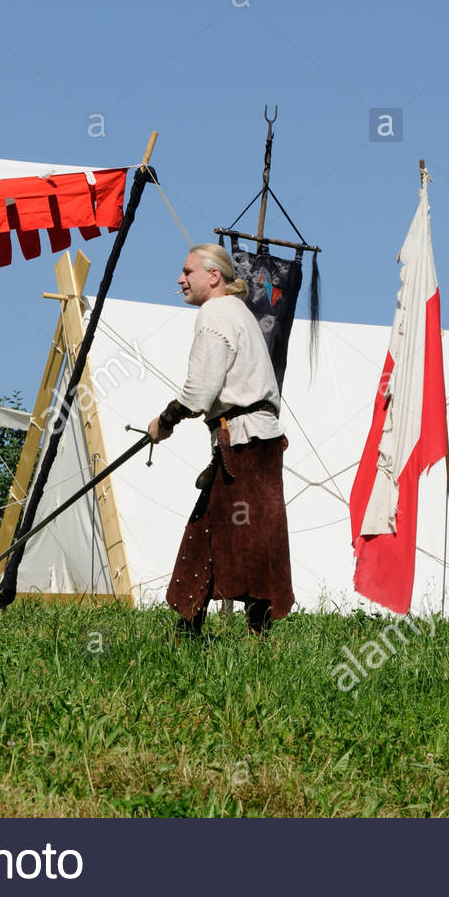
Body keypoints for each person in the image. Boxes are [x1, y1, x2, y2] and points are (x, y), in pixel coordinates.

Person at [147, 243, 293, 635]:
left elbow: (199, 391)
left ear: (213, 277)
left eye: (187, 271)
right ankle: (206, 629)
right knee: (241, 533)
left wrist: (166, 420)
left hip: (244, 443)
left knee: (225, 533)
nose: (180, 279)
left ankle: (196, 629)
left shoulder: (215, 312)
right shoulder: (239, 312)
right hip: (256, 440)